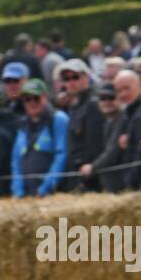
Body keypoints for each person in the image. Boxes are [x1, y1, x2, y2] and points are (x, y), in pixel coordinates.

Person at [83, 70, 141, 192]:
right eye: (119, 90)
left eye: (127, 88)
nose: (123, 94)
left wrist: (131, 183)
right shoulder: (130, 113)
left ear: (139, 85)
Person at [11, 79, 68, 197]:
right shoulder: (22, 124)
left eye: (36, 98)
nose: (32, 102)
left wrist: (45, 188)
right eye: (27, 99)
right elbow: (16, 160)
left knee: (63, 217)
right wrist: (18, 191)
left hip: (56, 195)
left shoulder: (58, 119)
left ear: (45, 97)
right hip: (28, 197)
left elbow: (62, 155)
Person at [59, 59, 105, 190]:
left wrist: (85, 177)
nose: (70, 82)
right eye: (66, 79)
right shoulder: (74, 105)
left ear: (86, 77)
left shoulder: (93, 104)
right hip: (77, 172)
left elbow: (94, 145)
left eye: (75, 77)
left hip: (89, 177)